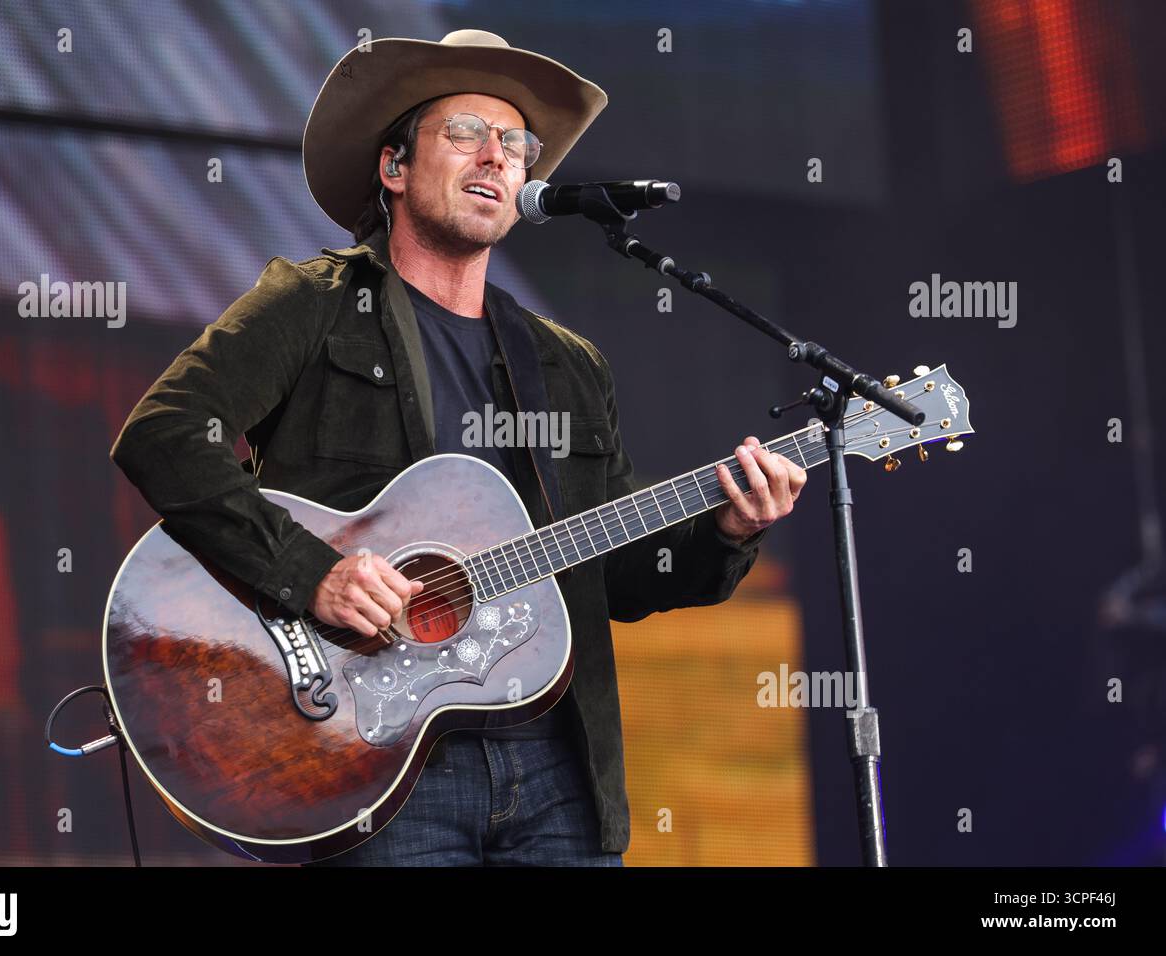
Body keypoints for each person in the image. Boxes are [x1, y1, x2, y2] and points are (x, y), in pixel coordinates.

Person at [110, 29, 807, 866]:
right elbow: (165, 434)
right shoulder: (312, 305)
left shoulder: (567, 365)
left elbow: (614, 574)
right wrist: (314, 573)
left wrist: (725, 534)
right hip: (378, 756)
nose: (498, 155)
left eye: (515, 143)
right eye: (466, 132)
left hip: (559, 768)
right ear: (394, 168)